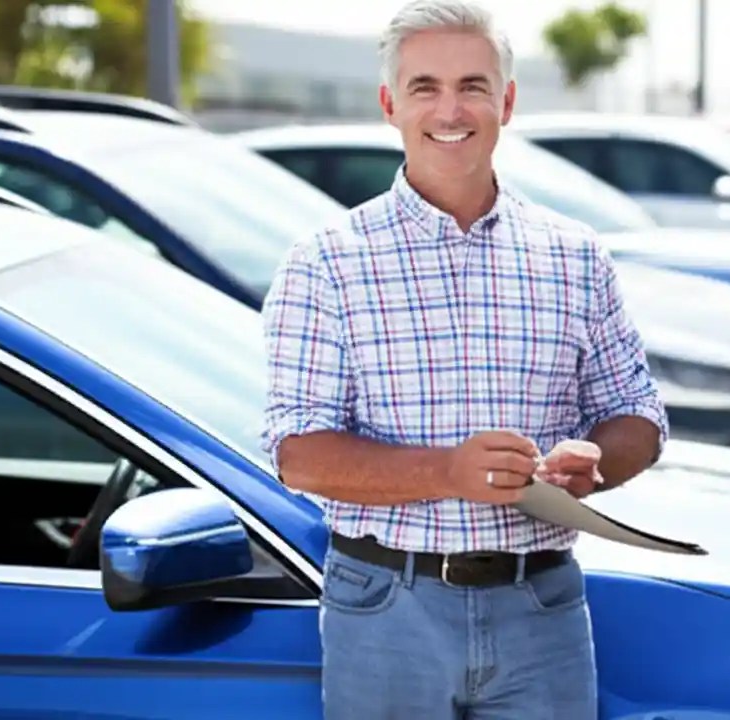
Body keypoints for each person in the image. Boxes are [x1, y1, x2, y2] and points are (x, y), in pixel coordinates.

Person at [260, 1, 668, 717]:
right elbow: (299, 455)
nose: (451, 109)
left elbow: (638, 415)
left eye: (473, 86)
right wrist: (446, 471)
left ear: (506, 101)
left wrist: (597, 461)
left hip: (542, 607)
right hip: (387, 612)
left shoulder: (573, 257)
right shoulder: (326, 263)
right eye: (425, 87)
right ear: (390, 104)